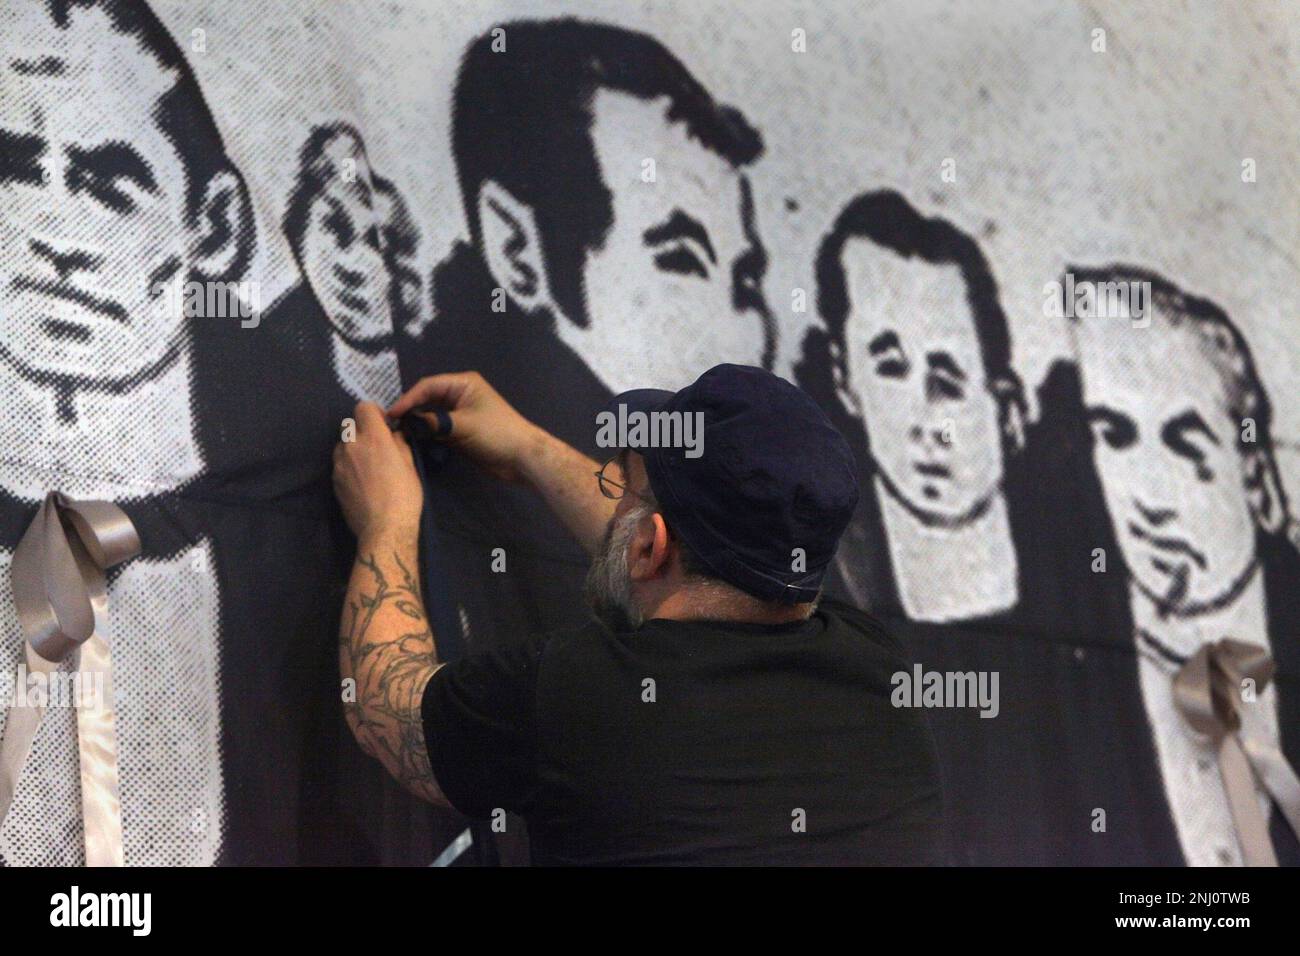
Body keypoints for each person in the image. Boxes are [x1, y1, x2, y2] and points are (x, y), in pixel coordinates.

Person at [331, 364, 943, 864]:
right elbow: (692, 562)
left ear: (650, 544)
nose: (610, 490)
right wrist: (529, 449)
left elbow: (387, 705)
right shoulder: (881, 675)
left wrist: (387, 518)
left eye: (621, 482)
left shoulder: (584, 695)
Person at [797, 190, 1135, 864]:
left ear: (1004, 403)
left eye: (949, 376)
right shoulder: (821, 613)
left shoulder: (1094, 610)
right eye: (890, 367)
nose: (926, 417)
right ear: (846, 379)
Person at [1070, 265, 1300, 866]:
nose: (1148, 494)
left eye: (1184, 442)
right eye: (1114, 436)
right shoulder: (1066, 661)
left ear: (1250, 467)